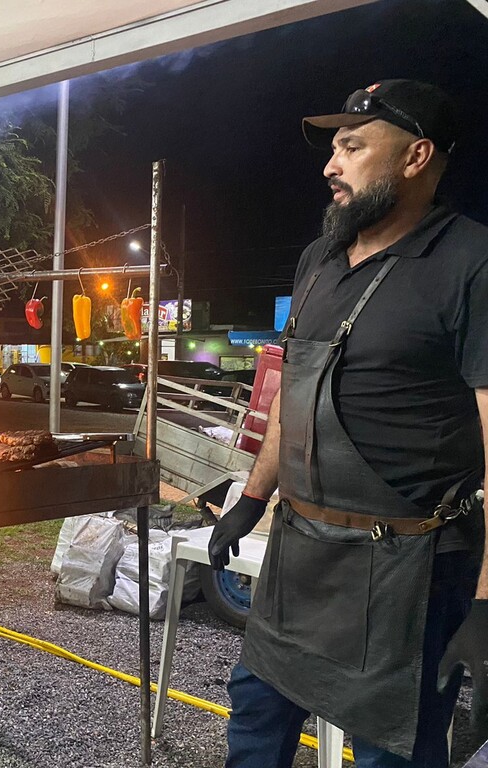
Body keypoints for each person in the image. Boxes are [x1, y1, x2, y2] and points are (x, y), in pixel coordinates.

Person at [208, 80, 488, 767]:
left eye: (353, 146)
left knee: (391, 751)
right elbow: (293, 394)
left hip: (408, 567)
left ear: (417, 155)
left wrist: (487, 602)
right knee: (254, 721)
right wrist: (250, 498)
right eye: (333, 148)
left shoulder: (470, 262)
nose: (331, 165)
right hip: (300, 550)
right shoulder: (319, 260)